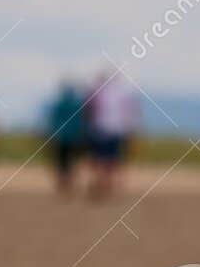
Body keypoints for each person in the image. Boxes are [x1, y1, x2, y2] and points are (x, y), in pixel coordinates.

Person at [88, 69, 139, 199]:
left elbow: (91, 113)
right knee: (114, 159)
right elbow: (129, 114)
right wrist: (130, 131)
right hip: (117, 131)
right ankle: (111, 185)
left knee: (100, 158)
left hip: (101, 130)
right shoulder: (123, 94)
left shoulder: (98, 93)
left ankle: (103, 183)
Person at [45, 80, 87, 194]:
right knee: (71, 162)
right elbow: (81, 122)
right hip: (73, 138)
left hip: (61, 137)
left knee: (61, 163)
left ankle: (62, 185)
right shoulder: (76, 105)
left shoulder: (59, 104)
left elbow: (53, 121)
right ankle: (69, 185)